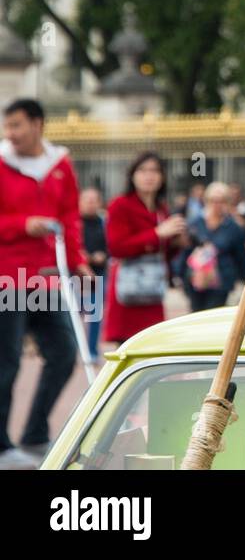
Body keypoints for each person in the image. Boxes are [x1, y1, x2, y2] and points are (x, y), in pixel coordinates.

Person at [0, 98, 90, 470]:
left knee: (65, 353)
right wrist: (25, 225)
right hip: (8, 277)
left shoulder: (60, 165)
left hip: (49, 279)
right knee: (6, 363)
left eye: (17, 125)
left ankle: (36, 432)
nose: (11, 134)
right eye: (8, 127)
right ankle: (2, 445)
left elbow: (69, 216)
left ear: (37, 124)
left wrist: (78, 258)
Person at [102, 153, 187, 347]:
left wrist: (176, 243)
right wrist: (157, 233)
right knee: (127, 349)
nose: (149, 176)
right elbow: (117, 247)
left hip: (152, 289)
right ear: (132, 175)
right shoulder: (120, 205)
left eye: (155, 170)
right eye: (143, 170)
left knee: (153, 345)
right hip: (129, 288)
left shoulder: (161, 208)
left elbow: (162, 254)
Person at [180, 182, 245, 312]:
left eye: (222, 201)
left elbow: (241, 256)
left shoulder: (233, 227)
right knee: (195, 317)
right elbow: (185, 252)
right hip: (196, 281)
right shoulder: (195, 224)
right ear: (206, 201)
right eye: (213, 200)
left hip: (220, 283)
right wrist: (182, 277)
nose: (217, 205)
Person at [79, 188, 108, 362]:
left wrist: (103, 256)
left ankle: (91, 350)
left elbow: (111, 246)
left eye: (94, 200)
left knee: (95, 315)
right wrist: (87, 257)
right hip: (76, 276)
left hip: (98, 275)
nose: (90, 203)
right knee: (74, 314)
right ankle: (77, 349)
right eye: (86, 199)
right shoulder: (74, 223)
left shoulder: (105, 223)